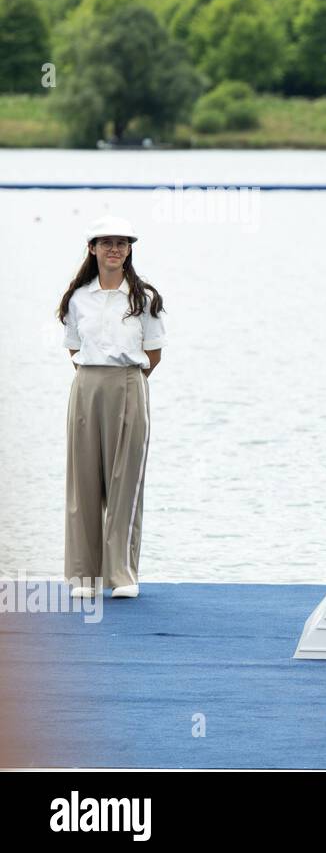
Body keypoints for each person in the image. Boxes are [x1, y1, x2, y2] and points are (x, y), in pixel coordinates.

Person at [58, 216, 165, 599]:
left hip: (129, 384)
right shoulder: (78, 298)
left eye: (122, 243)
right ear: (93, 249)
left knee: (125, 481)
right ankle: (83, 576)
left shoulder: (144, 298)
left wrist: (125, 383)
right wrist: (96, 378)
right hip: (87, 385)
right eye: (107, 243)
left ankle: (121, 574)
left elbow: (153, 354)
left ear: (129, 249)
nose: (115, 249)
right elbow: (74, 348)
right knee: (83, 482)